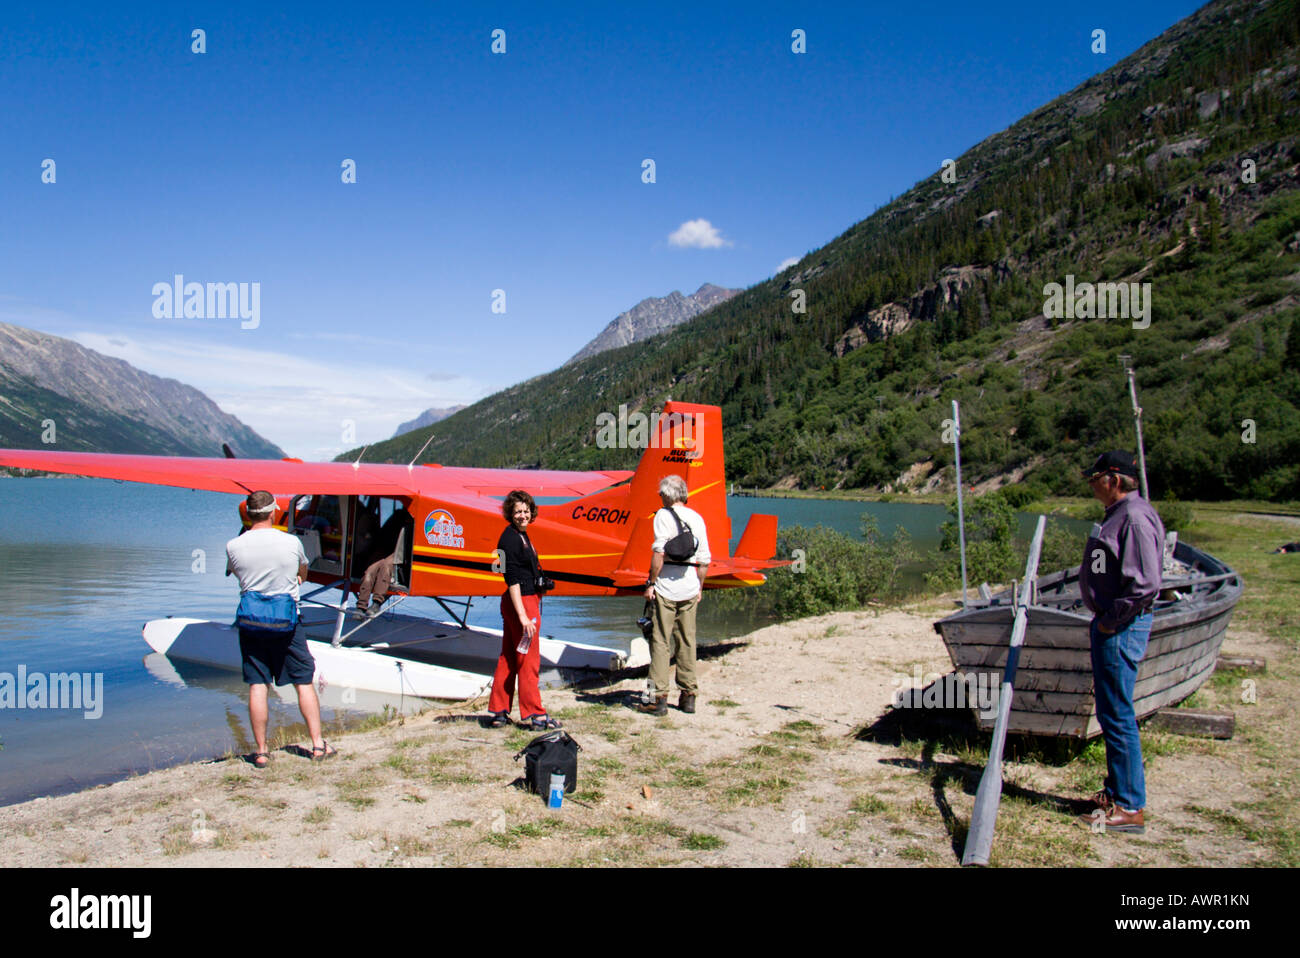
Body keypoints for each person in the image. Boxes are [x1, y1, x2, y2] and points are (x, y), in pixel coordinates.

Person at [1076, 451, 1164, 834]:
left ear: (1113, 478)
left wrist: (1111, 623)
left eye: (1094, 477)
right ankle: (1118, 793)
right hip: (1114, 625)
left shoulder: (1133, 517)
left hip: (1121, 628)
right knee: (1113, 712)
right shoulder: (1123, 514)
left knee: (1118, 715)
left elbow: (1145, 583)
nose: (1091, 484)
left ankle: (1129, 807)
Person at [226, 490, 336, 767]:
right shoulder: (291, 541)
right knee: (303, 682)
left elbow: (236, 574)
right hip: (288, 621)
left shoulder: (233, 545)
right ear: (274, 512)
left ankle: (262, 752)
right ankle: (318, 745)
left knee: (257, 685)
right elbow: (303, 573)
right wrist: (293, 581)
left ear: (248, 514)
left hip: (252, 623)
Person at [638, 474, 711, 716]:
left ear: (668, 495)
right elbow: (704, 561)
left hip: (667, 587)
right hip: (690, 585)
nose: (659, 498)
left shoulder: (663, 515)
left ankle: (657, 698)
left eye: (660, 494)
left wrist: (650, 582)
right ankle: (689, 696)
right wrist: (699, 587)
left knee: (660, 641)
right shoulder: (698, 518)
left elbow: (658, 554)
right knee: (687, 641)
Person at [487, 490, 560, 730]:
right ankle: (536, 714)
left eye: (526, 511)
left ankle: (498, 711)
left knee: (508, 655)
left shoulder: (518, 536)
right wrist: (523, 617)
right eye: (518, 511)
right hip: (522, 602)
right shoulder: (509, 538)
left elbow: (499, 568)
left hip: (515, 601)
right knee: (529, 660)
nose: (522, 515)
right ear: (510, 513)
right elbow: (511, 578)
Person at [356, 504, 414, 616]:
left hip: (400, 552)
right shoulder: (397, 516)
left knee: (386, 568)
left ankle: (376, 603)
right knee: (369, 571)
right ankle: (361, 606)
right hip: (384, 549)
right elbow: (384, 533)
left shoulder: (412, 522)